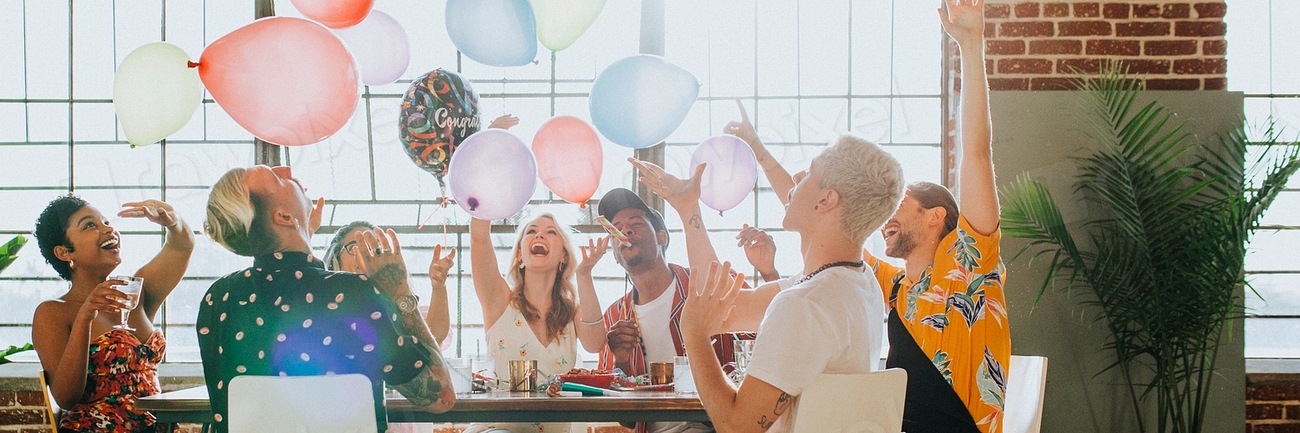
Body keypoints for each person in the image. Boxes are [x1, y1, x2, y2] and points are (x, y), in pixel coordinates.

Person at [729, 1, 1006, 430]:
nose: (885, 215)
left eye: (899, 204)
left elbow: (976, 152)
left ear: (935, 216)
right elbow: (821, 209)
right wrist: (759, 151)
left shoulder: (971, 266)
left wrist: (971, 46)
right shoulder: (892, 286)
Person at [634, 131, 905, 432]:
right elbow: (726, 307)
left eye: (808, 173)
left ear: (826, 200)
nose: (796, 177)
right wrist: (688, 209)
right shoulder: (859, 283)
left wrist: (694, 334)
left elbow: (737, 427)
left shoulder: (805, 305)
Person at [200, 165, 454, 433]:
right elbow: (441, 398)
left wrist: (300, 232)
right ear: (284, 216)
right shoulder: (355, 295)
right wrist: (399, 289)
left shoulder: (219, 299)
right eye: (277, 177)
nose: (286, 169)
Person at [576, 187, 750, 433]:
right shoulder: (614, 317)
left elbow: (765, 343)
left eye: (636, 223)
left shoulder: (706, 287)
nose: (625, 231)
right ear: (615, 254)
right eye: (617, 228)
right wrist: (622, 362)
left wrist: (769, 273)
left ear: (662, 238)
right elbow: (624, 419)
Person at [32, 196, 195, 433]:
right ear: (64, 252)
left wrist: (173, 222)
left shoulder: (135, 294)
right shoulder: (53, 312)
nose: (108, 229)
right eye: (90, 225)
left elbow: (182, 246)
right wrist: (85, 317)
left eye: (106, 222)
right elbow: (66, 398)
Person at [466, 214, 586, 433]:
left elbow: (596, 342)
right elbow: (479, 238)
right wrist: (485, 198)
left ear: (564, 257)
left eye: (551, 231)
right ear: (519, 254)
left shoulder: (573, 312)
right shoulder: (500, 302)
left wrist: (586, 275)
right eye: (531, 231)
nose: (539, 234)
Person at [323, 221, 454, 345]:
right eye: (355, 246)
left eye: (374, 248)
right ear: (337, 256)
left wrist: (438, 287)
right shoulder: (322, 303)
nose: (364, 253)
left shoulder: (395, 302)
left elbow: (433, 338)